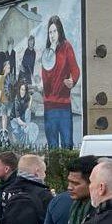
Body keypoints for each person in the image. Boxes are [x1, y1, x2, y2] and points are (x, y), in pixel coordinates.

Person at [40, 15, 80, 149]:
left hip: (64, 105)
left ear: (59, 31)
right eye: (50, 32)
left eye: (54, 31)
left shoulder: (66, 47)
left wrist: (72, 80)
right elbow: (46, 82)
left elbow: (75, 69)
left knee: (67, 143)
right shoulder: (46, 53)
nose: (52, 35)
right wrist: (50, 55)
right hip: (49, 106)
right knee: (52, 146)